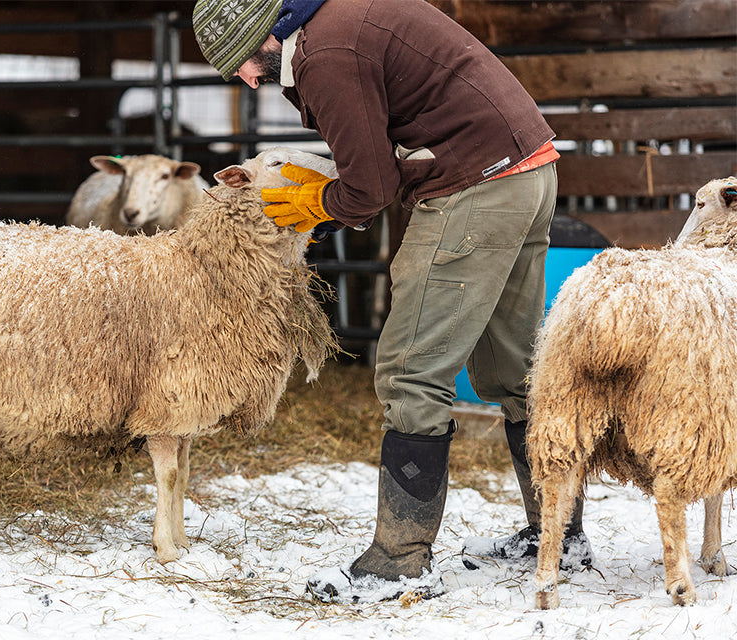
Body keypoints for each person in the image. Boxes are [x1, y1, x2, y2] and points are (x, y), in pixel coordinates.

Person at [193, 0, 593, 603]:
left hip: (474, 185)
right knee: (513, 369)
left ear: (263, 35)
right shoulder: (341, 23)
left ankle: (400, 560)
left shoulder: (324, 54)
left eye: (241, 65)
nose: (246, 80)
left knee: (411, 370)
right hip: (526, 170)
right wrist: (334, 203)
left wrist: (325, 207)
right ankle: (559, 537)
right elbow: (378, 157)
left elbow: (372, 186)